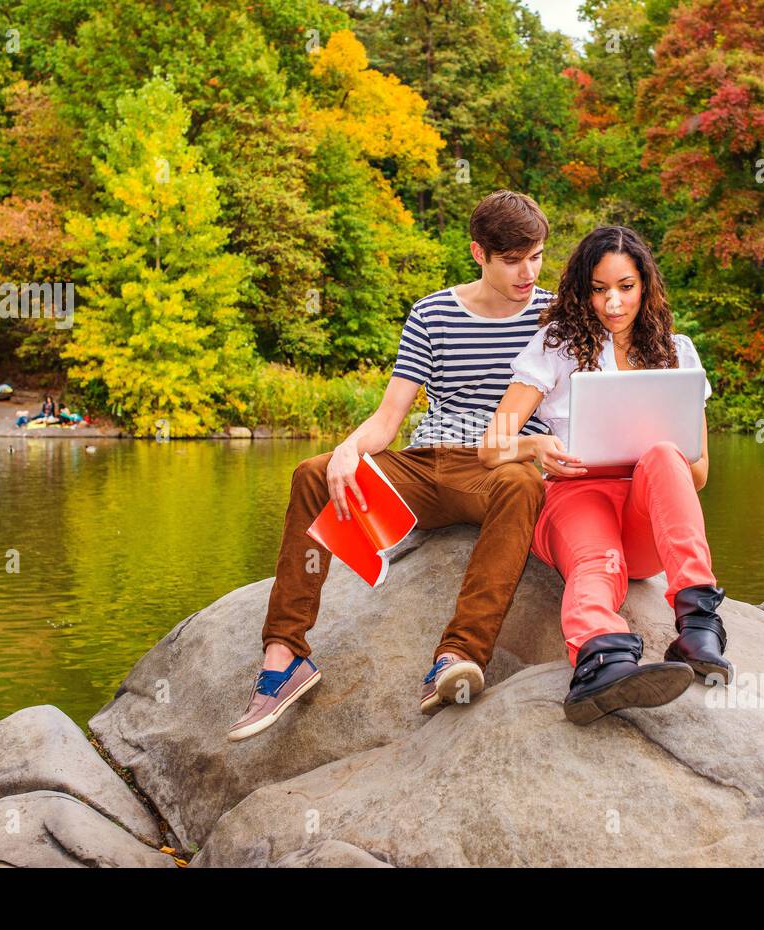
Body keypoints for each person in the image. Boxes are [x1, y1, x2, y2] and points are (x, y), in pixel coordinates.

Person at [228, 190, 554, 742]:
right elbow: (388, 418)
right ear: (479, 253)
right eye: (512, 260)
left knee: (524, 483)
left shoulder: (555, 315)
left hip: (501, 469)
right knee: (313, 471)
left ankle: (455, 657)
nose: (528, 272)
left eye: (537, 256)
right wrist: (348, 451)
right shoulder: (434, 311)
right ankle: (284, 658)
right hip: (426, 466)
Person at [479, 225, 733, 725]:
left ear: (646, 286)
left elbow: (698, 473)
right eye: (599, 289)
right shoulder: (557, 346)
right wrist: (535, 446)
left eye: (625, 287)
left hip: (645, 515)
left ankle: (698, 624)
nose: (613, 302)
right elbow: (492, 448)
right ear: (582, 290)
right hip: (576, 494)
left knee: (663, 454)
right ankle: (602, 660)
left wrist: (650, 454)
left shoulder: (677, 353)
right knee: (598, 559)